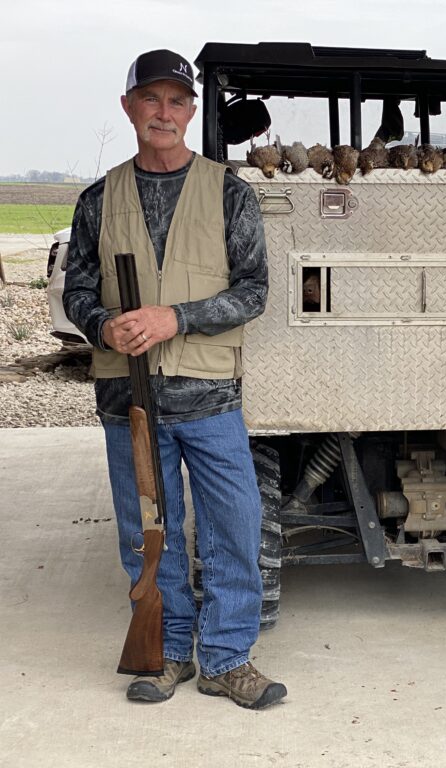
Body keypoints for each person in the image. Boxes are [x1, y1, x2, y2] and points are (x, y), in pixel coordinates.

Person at [64, 49, 286, 709]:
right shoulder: (98, 198)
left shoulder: (229, 191)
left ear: (191, 111)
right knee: (148, 533)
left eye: (176, 101)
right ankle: (165, 655)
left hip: (210, 395)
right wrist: (104, 324)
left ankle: (225, 659)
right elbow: (76, 288)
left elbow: (253, 292)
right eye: (151, 99)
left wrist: (175, 318)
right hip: (128, 398)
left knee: (233, 526)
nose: (164, 112)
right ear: (129, 107)